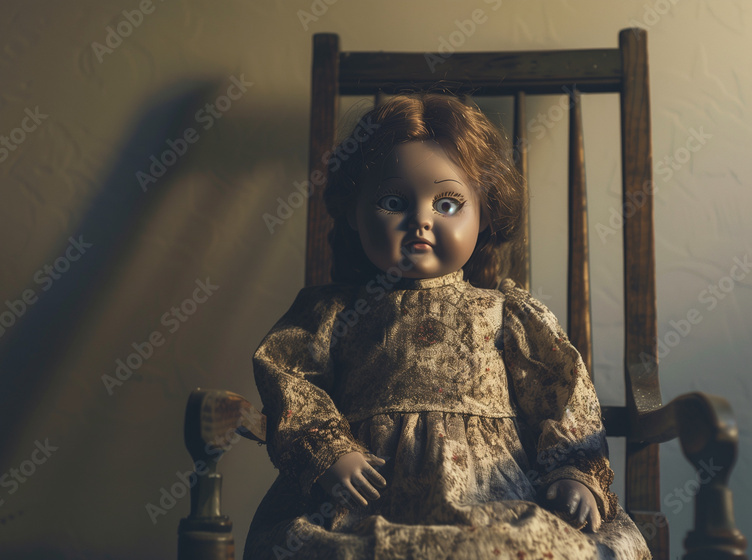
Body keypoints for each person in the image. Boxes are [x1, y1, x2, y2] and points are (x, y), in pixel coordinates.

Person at [244, 94, 651, 559]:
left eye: (448, 203)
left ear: (484, 213)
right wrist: (329, 450)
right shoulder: (333, 313)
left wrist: (573, 472)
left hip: (497, 500)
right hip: (367, 504)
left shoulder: (508, 314)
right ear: (355, 214)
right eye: (393, 201)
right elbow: (291, 380)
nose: (420, 219)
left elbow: (563, 395)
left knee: (538, 546)